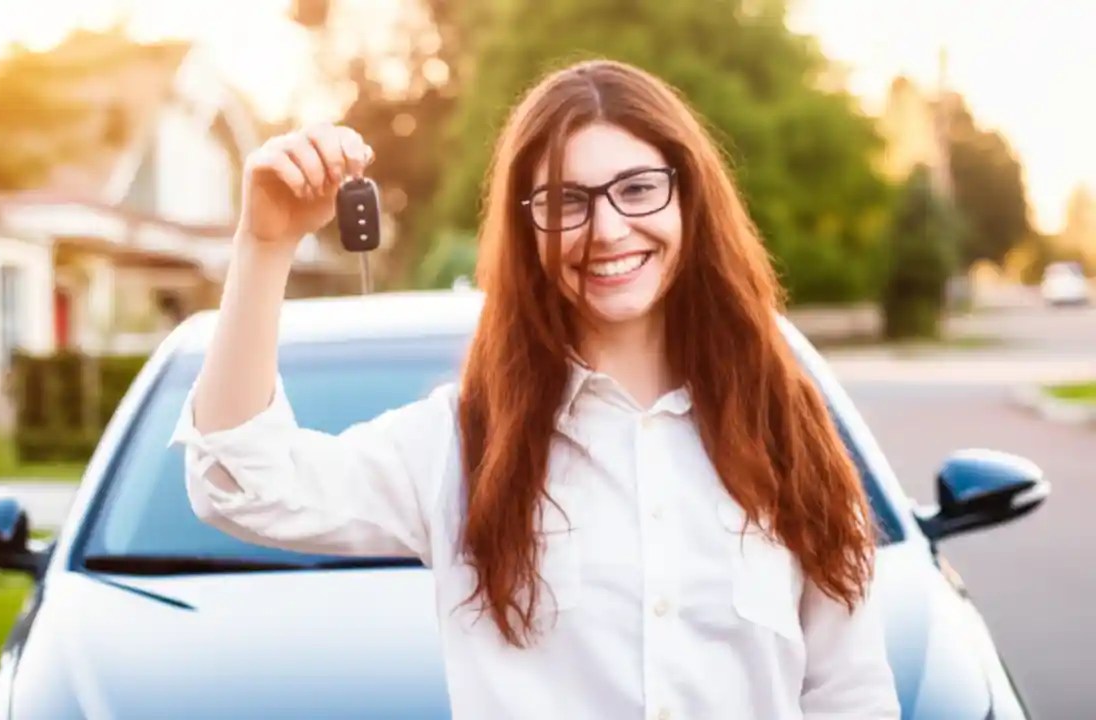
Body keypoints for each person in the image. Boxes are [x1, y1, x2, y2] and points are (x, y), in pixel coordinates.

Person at [172, 59, 900, 719]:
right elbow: (241, 483)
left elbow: (851, 694)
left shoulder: (784, 430)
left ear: (690, 199)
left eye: (639, 188)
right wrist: (264, 247)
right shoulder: (461, 448)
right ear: (529, 232)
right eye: (566, 202)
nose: (608, 229)